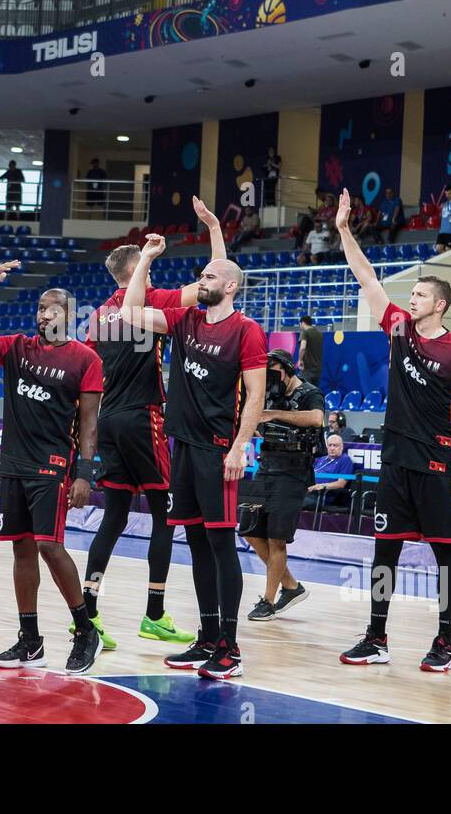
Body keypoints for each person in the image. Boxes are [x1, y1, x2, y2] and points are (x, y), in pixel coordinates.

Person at [333, 188, 451, 673]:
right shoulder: (398, 328)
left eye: (419, 295)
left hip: (438, 461)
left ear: (439, 305)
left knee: (445, 553)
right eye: (412, 294)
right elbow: (367, 276)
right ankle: (376, 636)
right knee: (386, 549)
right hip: (396, 459)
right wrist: (343, 229)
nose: (411, 299)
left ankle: (444, 642)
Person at [79, 194, 225, 649]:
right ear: (137, 272)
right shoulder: (150, 301)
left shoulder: (96, 318)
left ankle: (88, 611)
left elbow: (89, 376)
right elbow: (214, 285)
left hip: (108, 419)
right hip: (144, 417)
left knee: (113, 517)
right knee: (166, 514)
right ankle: (154, 615)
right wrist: (214, 230)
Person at [120, 233, 268, 681]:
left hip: (218, 450)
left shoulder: (246, 330)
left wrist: (240, 446)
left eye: (209, 276)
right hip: (182, 446)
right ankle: (207, 637)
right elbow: (129, 313)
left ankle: (230, 647)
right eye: (200, 276)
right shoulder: (185, 320)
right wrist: (146, 259)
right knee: (198, 543)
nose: (201, 281)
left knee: (221, 545)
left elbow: (256, 396)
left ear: (231, 286)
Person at [0, 264, 104, 675]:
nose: (43, 314)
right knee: (21, 549)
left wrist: (84, 473)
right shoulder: (16, 348)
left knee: (49, 546)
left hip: (52, 467)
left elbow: (89, 424)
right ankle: (30, 640)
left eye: (52, 309)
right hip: (14, 465)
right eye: (40, 308)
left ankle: (85, 630)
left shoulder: (85, 359)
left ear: (68, 316)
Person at [240, 349, 323, 621]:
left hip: (293, 473)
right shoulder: (269, 392)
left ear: (287, 370)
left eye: (274, 372)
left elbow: (316, 418)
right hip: (265, 467)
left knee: (276, 539)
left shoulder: (310, 393)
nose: (269, 378)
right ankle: (290, 586)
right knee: (249, 530)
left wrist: (273, 414)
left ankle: (268, 601)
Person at [307, 434, 355, 511]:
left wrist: (322, 486)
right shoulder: (320, 459)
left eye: (335, 445)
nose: (332, 448)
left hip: (321, 495)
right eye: (330, 445)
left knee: (295, 502)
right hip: (307, 491)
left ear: (341, 447)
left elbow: (341, 484)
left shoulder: (345, 460)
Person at [298, 315, 322, 386]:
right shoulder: (319, 333)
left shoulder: (305, 332)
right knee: (314, 390)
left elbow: (302, 348)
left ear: (302, 323)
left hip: (307, 369)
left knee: (304, 389)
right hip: (317, 369)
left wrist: (300, 360)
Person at [436, 185, 451, 250]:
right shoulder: (444, 204)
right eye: (446, 194)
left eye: (449, 193)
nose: (447, 195)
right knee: (438, 248)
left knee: (448, 249)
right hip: (442, 231)